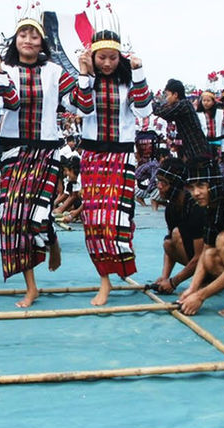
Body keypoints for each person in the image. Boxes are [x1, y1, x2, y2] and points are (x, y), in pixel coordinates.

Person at [0, 10, 75, 308]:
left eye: (34, 35)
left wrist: (87, 72)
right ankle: (32, 287)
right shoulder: (5, 67)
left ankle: (51, 240)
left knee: (37, 218)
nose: (28, 39)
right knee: (12, 219)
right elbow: (8, 104)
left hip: (46, 150)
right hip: (13, 151)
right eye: (23, 34)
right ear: (16, 39)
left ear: (42, 42)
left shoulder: (54, 71)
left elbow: (76, 104)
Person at [64, 26, 152, 305]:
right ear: (93, 55)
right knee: (94, 221)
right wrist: (84, 73)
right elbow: (83, 109)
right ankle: (105, 281)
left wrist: (138, 71)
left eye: (113, 57)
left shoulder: (129, 81)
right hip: (93, 157)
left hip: (123, 157)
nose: (107, 63)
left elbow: (144, 110)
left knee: (118, 221)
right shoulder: (84, 81)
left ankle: (120, 265)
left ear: (121, 57)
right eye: (102, 57)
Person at [178, 157, 224, 317]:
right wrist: (192, 288)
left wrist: (200, 296)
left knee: (223, 240)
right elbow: (205, 249)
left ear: (213, 185)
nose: (196, 193)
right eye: (192, 188)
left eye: (201, 186)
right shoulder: (211, 207)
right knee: (209, 256)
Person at [153, 159, 206, 295]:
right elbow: (170, 249)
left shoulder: (195, 208)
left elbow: (201, 255)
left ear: (176, 184)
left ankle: (205, 280)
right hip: (195, 257)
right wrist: (165, 277)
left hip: (214, 262)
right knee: (168, 243)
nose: (159, 186)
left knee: (176, 234)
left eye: (164, 182)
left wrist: (173, 282)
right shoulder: (171, 209)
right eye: (158, 181)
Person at [154, 79, 212, 160]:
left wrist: (149, 104)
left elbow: (162, 112)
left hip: (198, 151)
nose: (166, 99)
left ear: (175, 94)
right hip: (193, 150)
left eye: (167, 95)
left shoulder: (184, 105)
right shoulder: (184, 104)